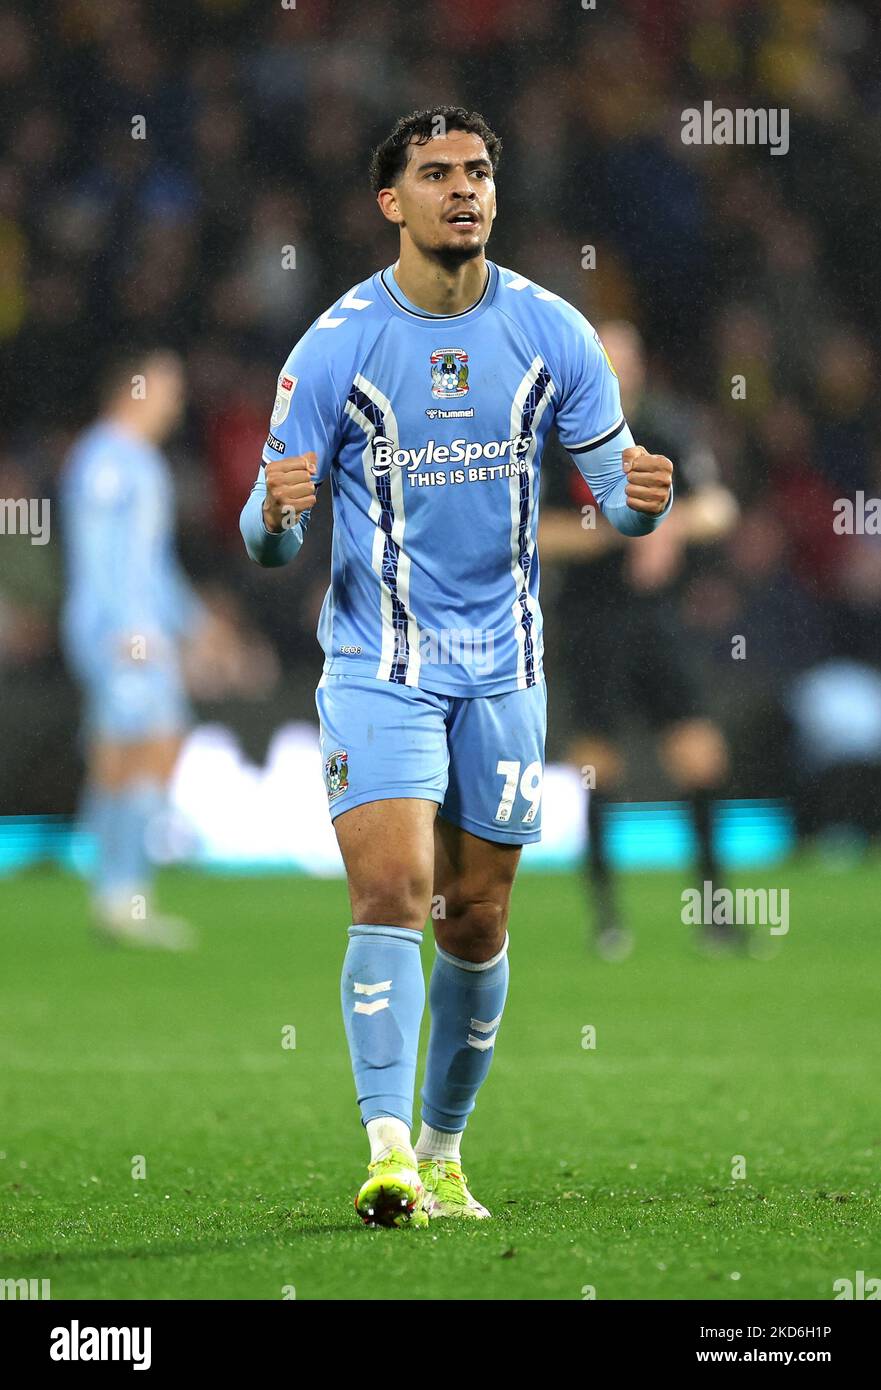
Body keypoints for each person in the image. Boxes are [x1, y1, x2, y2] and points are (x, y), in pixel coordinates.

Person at [240, 108, 673, 1227]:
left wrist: (633, 508)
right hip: (376, 660)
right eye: (435, 174)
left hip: (503, 665)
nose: (464, 189)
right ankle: (385, 1148)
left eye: (477, 171)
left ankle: (441, 1149)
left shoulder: (553, 332)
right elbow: (265, 528)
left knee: (475, 916)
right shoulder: (335, 343)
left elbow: (612, 499)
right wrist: (277, 521)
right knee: (393, 888)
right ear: (392, 203)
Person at [539, 321, 739, 957]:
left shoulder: (666, 424)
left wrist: (667, 526)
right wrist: (620, 529)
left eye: (626, 357)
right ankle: (607, 920)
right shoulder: (555, 433)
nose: (617, 371)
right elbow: (531, 530)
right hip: (593, 620)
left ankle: (715, 915)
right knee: (600, 768)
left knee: (700, 757)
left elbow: (720, 508)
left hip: (659, 619)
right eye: (605, 359)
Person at [61, 350, 229, 948]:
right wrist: (121, 633)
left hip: (138, 632)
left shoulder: (139, 463)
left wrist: (191, 622)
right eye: (166, 389)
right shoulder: (105, 459)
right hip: (120, 634)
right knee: (151, 745)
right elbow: (99, 559)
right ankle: (124, 895)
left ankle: (115, 893)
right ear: (132, 389)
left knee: (121, 755)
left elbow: (151, 565)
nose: (175, 403)